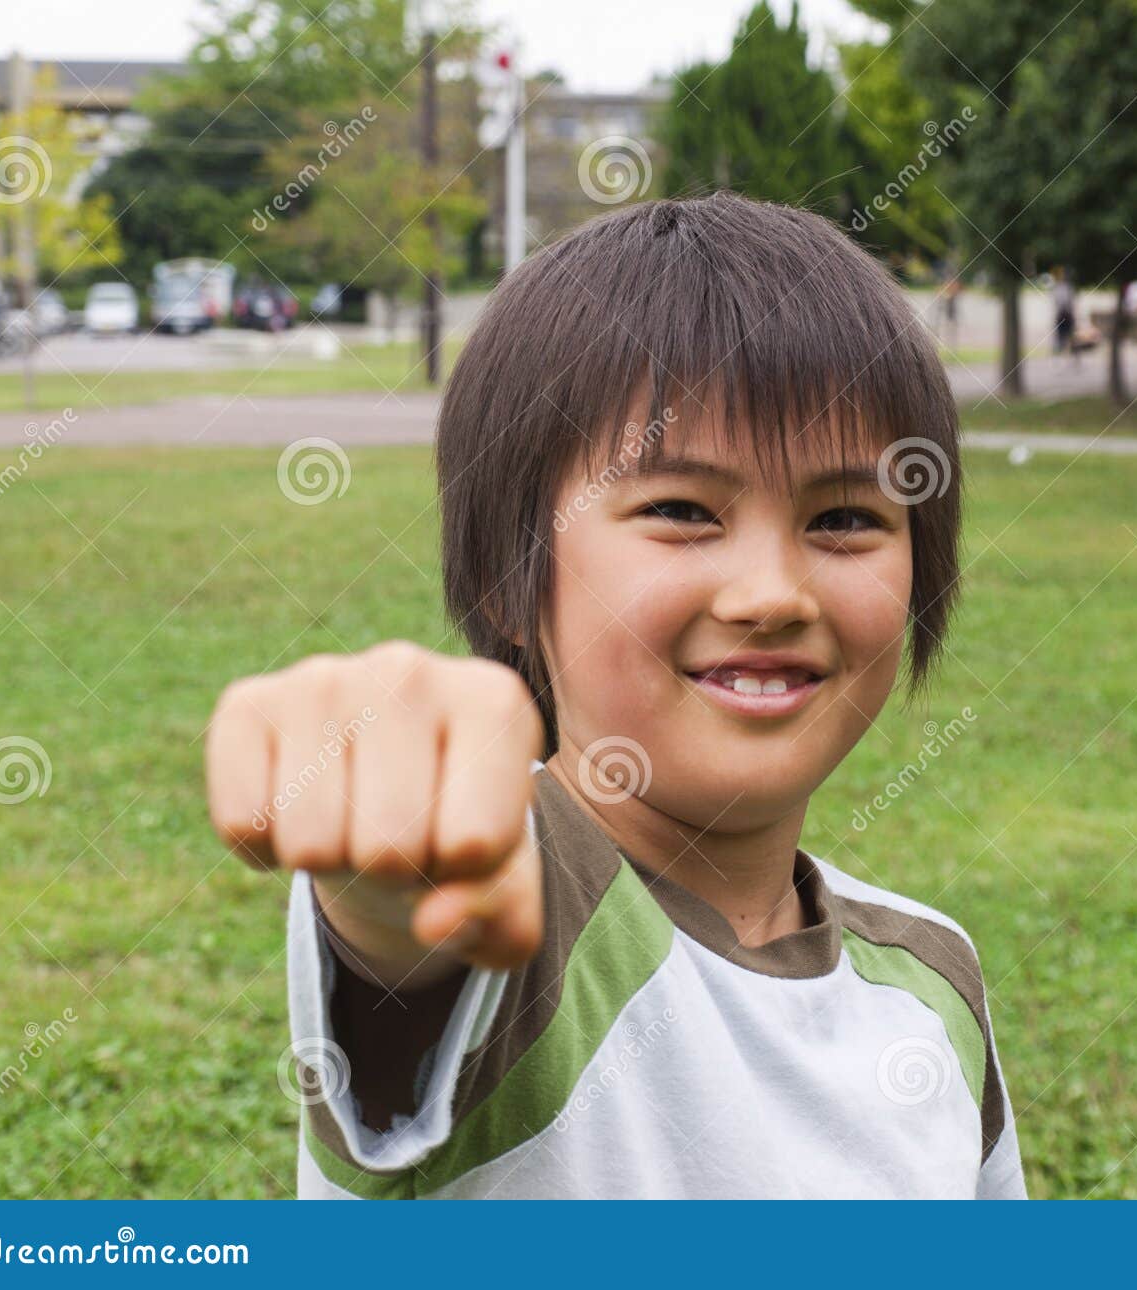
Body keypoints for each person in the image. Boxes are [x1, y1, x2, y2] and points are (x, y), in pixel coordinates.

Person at [204, 192, 1025, 1201]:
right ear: (512, 578)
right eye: (681, 510)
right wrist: (381, 837)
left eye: (846, 518)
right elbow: (409, 942)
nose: (771, 593)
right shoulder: (521, 905)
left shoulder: (932, 978)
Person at [1051, 266, 1077, 362]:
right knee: (1061, 337)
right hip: (1061, 314)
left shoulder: (1069, 287)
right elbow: (1057, 302)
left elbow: (1071, 302)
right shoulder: (1059, 288)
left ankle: (1070, 356)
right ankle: (1061, 356)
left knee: (1069, 337)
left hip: (1067, 315)